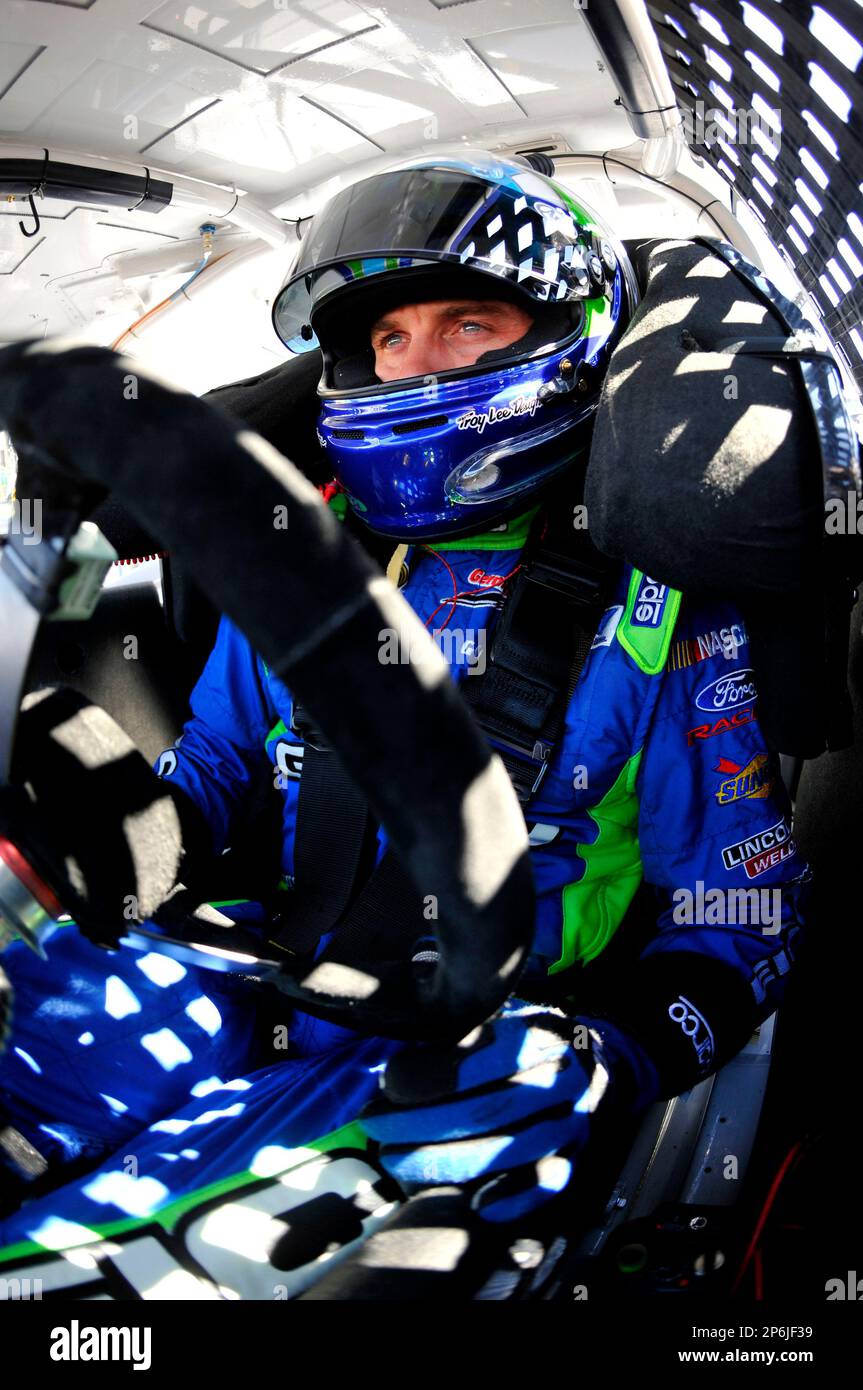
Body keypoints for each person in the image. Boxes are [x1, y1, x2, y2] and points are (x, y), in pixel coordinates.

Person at [0, 153, 808, 1295]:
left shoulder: (659, 611)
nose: (413, 365)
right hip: (255, 969)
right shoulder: (307, 545)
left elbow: (742, 917)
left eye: (466, 324)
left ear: (561, 340)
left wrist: (601, 1061)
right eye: (389, 340)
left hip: (482, 1035)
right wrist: (134, 839)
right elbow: (225, 761)